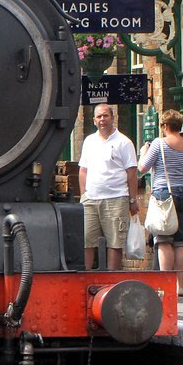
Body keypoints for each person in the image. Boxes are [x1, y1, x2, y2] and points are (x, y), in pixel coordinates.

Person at [138, 109, 183, 296]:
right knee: (182, 241)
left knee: (163, 240)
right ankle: (180, 286)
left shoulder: (159, 144)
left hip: (164, 193)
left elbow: (143, 167)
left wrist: (143, 152)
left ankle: (165, 284)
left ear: (164, 126)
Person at [78, 103, 139, 270]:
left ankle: (111, 277)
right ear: (94, 120)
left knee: (115, 242)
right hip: (91, 200)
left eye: (105, 116)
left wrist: (132, 199)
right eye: (99, 116)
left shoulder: (124, 142)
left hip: (116, 198)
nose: (102, 120)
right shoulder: (89, 141)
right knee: (87, 241)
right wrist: (84, 194)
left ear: (113, 118)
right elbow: (83, 170)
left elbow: (132, 173)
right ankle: (86, 276)